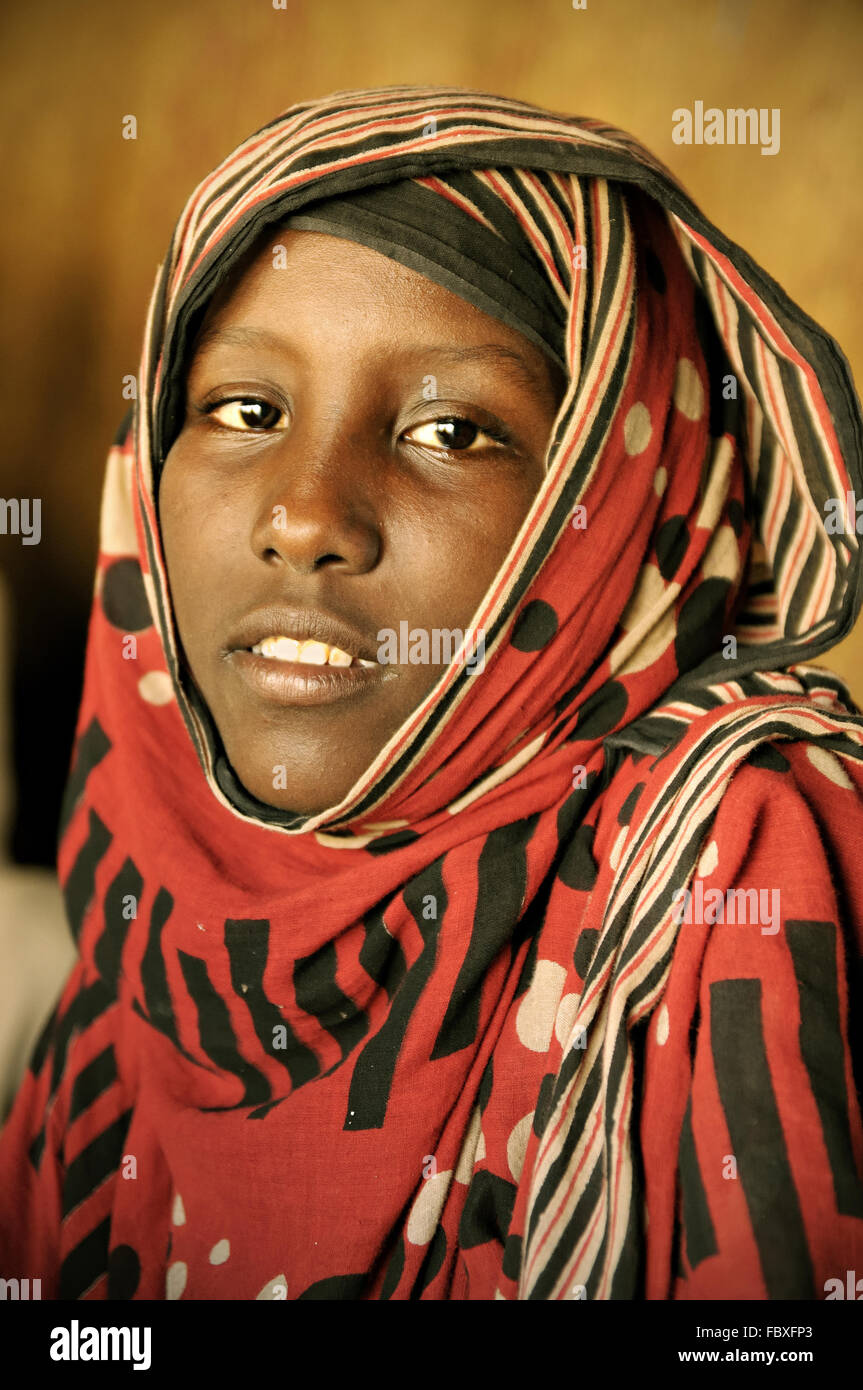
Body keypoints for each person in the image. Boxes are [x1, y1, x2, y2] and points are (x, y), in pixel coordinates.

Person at [1, 83, 862, 1301]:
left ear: (610, 509)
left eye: (452, 432)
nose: (305, 518)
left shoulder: (739, 852)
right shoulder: (150, 895)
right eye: (245, 409)